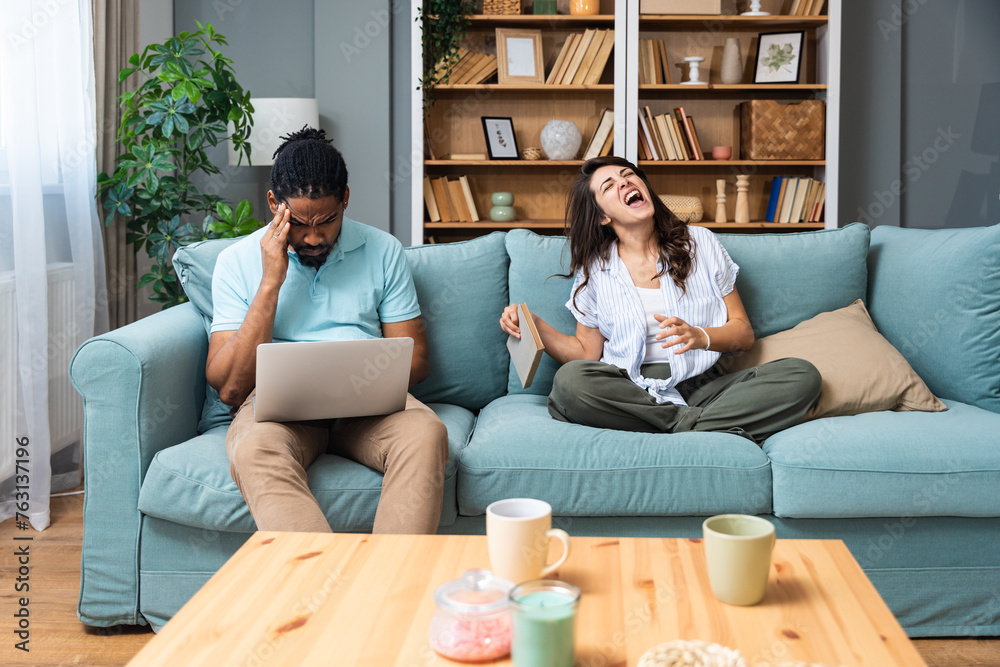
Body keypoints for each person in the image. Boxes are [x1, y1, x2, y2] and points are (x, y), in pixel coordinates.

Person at [206, 127, 448, 534]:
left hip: (369, 411)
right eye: (299, 223)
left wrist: (361, 376)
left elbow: (418, 362)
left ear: (346, 199)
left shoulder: (383, 249)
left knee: (426, 433)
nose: (314, 237)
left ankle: (393, 587)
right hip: (281, 415)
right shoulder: (236, 261)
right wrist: (270, 282)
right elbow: (229, 388)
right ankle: (323, 588)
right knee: (254, 449)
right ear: (273, 203)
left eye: (327, 221)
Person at [499, 156, 821, 443]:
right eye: (610, 185)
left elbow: (743, 333)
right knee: (569, 384)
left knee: (802, 376)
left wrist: (700, 336)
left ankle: (673, 427)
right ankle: (694, 429)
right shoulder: (595, 269)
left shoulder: (701, 244)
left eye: (628, 175)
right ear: (602, 218)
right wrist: (535, 326)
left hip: (704, 388)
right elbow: (586, 352)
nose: (625, 181)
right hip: (631, 389)